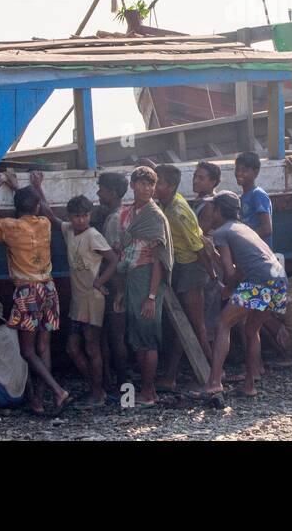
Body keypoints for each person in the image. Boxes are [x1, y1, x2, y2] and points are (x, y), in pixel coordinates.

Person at [0, 171, 70, 414]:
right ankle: (39, 399)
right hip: (49, 288)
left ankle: (57, 391)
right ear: (36, 205)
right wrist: (36, 187)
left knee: (26, 350)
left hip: (27, 290)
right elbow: (46, 209)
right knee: (43, 347)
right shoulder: (45, 224)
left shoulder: (9, 226)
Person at [195, 191, 287, 399]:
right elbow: (243, 268)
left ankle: (214, 382)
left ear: (218, 211)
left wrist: (213, 257)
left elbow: (228, 272)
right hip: (279, 279)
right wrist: (231, 286)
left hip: (260, 282)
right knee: (252, 329)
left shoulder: (221, 233)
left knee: (222, 324)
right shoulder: (244, 229)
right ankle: (249, 384)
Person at [48, 196, 118, 406]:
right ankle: (96, 388)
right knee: (73, 348)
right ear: (70, 216)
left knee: (91, 346)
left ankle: (97, 394)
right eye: (77, 216)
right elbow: (51, 217)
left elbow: (113, 259)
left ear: (90, 216)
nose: (81, 220)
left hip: (92, 298)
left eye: (85, 216)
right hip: (78, 300)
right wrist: (38, 189)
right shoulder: (69, 229)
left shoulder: (93, 235)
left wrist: (101, 281)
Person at [112, 165, 173, 407]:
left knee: (148, 335)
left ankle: (148, 392)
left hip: (148, 278)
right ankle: (143, 391)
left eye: (151, 184)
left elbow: (159, 258)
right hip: (130, 277)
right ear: (133, 186)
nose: (147, 188)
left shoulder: (155, 216)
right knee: (136, 334)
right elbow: (123, 249)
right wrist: (119, 290)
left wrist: (151, 295)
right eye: (142, 183)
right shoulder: (126, 214)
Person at [152, 163, 214, 393]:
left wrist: (212, 274)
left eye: (159, 184)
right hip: (182, 267)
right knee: (184, 324)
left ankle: (214, 374)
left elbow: (198, 246)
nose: (155, 187)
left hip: (192, 269)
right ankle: (171, 376)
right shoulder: (168, 204)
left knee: (197, 325)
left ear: (171, 186)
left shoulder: (177, 212)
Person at [98, 170, 131, 388]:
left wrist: (117, 291)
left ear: (112, 192)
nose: (98, 193)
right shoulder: (127, 213)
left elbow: (115, 258)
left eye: (101, 190)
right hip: (129, 280)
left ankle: (121, 381)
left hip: (115, 283)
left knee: (116, 335)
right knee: (119, 334)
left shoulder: (112, 220)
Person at [235, 151, 273, 245]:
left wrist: (244, 238)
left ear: (256, 173)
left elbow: (267, 229)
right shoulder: (243, 197)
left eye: (244, 171)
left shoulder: (258, 195)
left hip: (260, 253)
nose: (239, 173)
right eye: (237, 169)